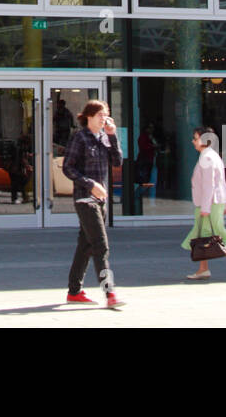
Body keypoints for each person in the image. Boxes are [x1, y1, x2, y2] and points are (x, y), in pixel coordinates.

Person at [61, 99, 124, 308]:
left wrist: (113, 136)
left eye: (106, 114)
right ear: (88, 116)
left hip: (100, 199)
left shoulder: (105, 138)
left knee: (85, 245)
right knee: (100, 245)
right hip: (85, 198)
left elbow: (117, 161)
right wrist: (90, 184)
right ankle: (110, 293)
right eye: (100, 114)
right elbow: (68, 168)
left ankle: (74, 291)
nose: (103, 118)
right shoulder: (79, 138)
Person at [181, 126, 226, 280]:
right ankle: (203, 269)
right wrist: (224, 203)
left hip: (209, 204)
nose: (193, 141)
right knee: (204, 236)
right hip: (214, 202)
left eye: (196, 138)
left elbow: (209, 185)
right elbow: (220, 182)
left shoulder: (207, 158)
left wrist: (205, 208)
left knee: (210, 237)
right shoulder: (211, 156)